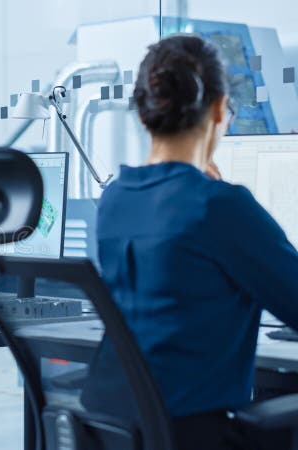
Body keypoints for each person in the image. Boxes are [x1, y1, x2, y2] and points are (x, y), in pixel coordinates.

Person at [80, 35, 298, 449]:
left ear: (144, 116)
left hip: (117, 431)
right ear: (219, 109)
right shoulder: (219, 206)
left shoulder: (115, 199)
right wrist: (226, 205)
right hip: (194, 435)